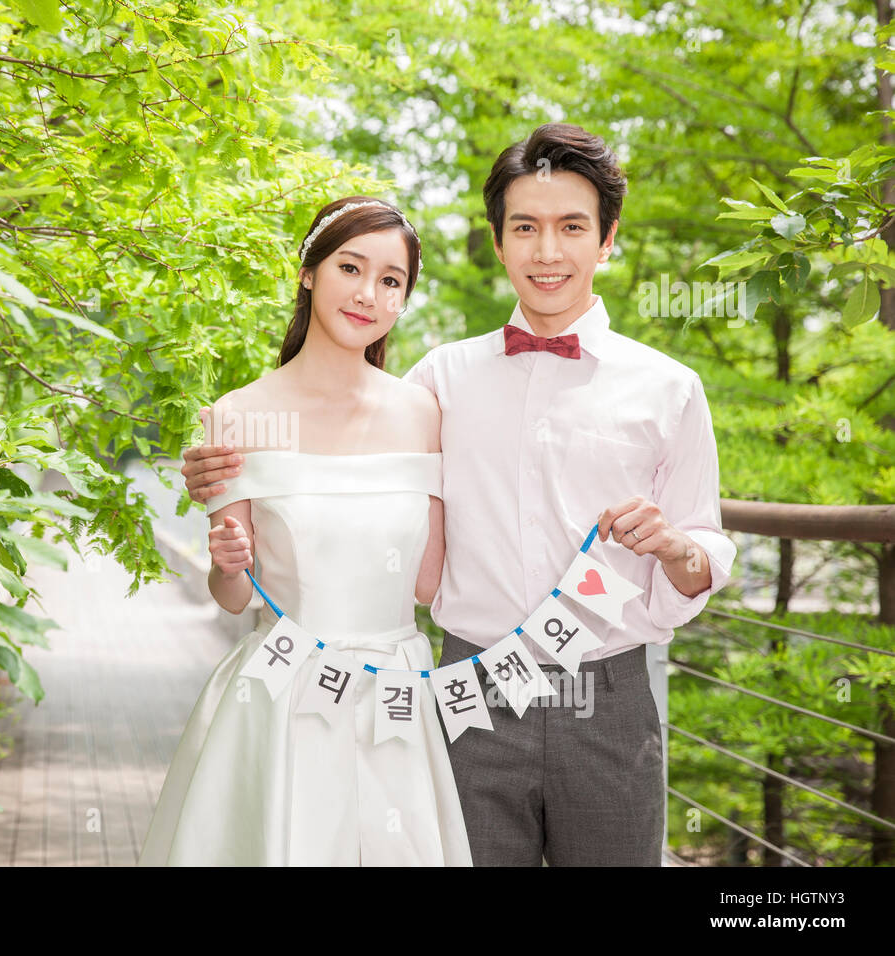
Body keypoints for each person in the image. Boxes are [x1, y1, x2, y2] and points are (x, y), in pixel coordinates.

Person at [181, 124, 737, 866]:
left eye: (572, 227)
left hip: (607, 703)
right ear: (499, 242)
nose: (547, 251)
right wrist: (224, 473)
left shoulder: (670, 390)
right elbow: (341, 450)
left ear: (606, 241)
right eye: (525, 228)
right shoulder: (438, 384)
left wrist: (677, 549)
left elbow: (705, 547)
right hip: (465, 705)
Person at [137, 196, 473, 866]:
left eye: (391, 281)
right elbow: (232, 598)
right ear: (309, 272)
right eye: (350, 268)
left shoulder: (422, 412)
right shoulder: (239, 414)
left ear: (403, 300)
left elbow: (429, 580)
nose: (367, 294)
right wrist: (228, 563)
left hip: (394, 692)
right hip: (281, 690)